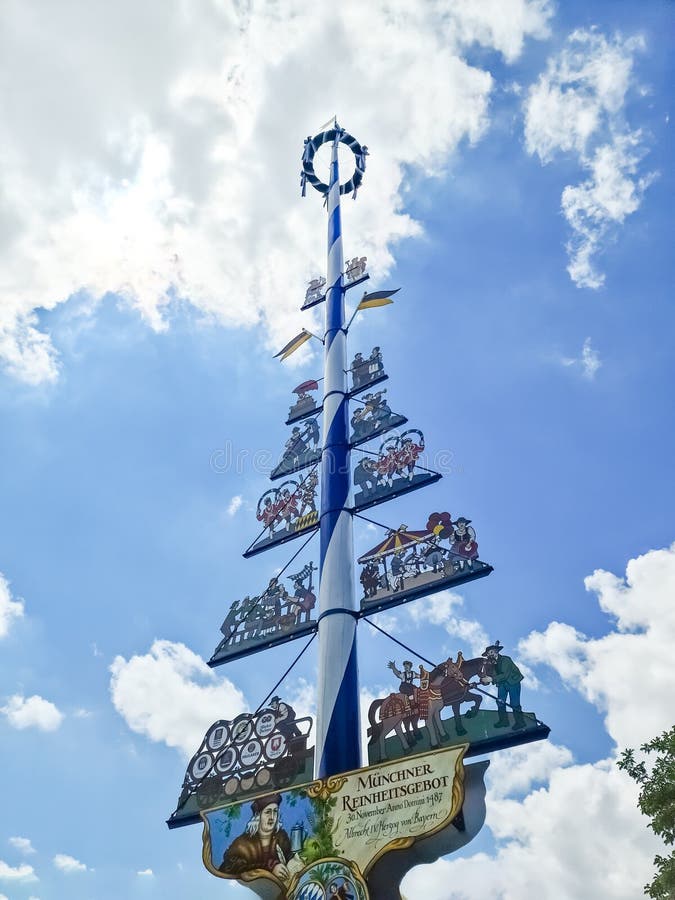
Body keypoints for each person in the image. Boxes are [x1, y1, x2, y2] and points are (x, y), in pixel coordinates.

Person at [219, 793, 303, 883]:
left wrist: (296, 863)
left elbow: (289, 856)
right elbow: (231, 872)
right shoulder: (242, 845)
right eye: (267, 812)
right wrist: (270, 868)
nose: (272, 817)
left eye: (275, 811)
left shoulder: (281, 836)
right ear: (258, 816)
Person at [481, 641, 526, 731]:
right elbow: (493, 675)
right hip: (502, 684)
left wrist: (491, 679)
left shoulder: (506, 660)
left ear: (496, 651)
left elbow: (505, 674)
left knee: (514, 703)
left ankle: (520, 722)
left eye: (491, 652)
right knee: (500, 701)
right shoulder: (492, 664)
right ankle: (504, 721)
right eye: (488, 654)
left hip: (513, 682)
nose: (490, 655)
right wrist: (486, 680)